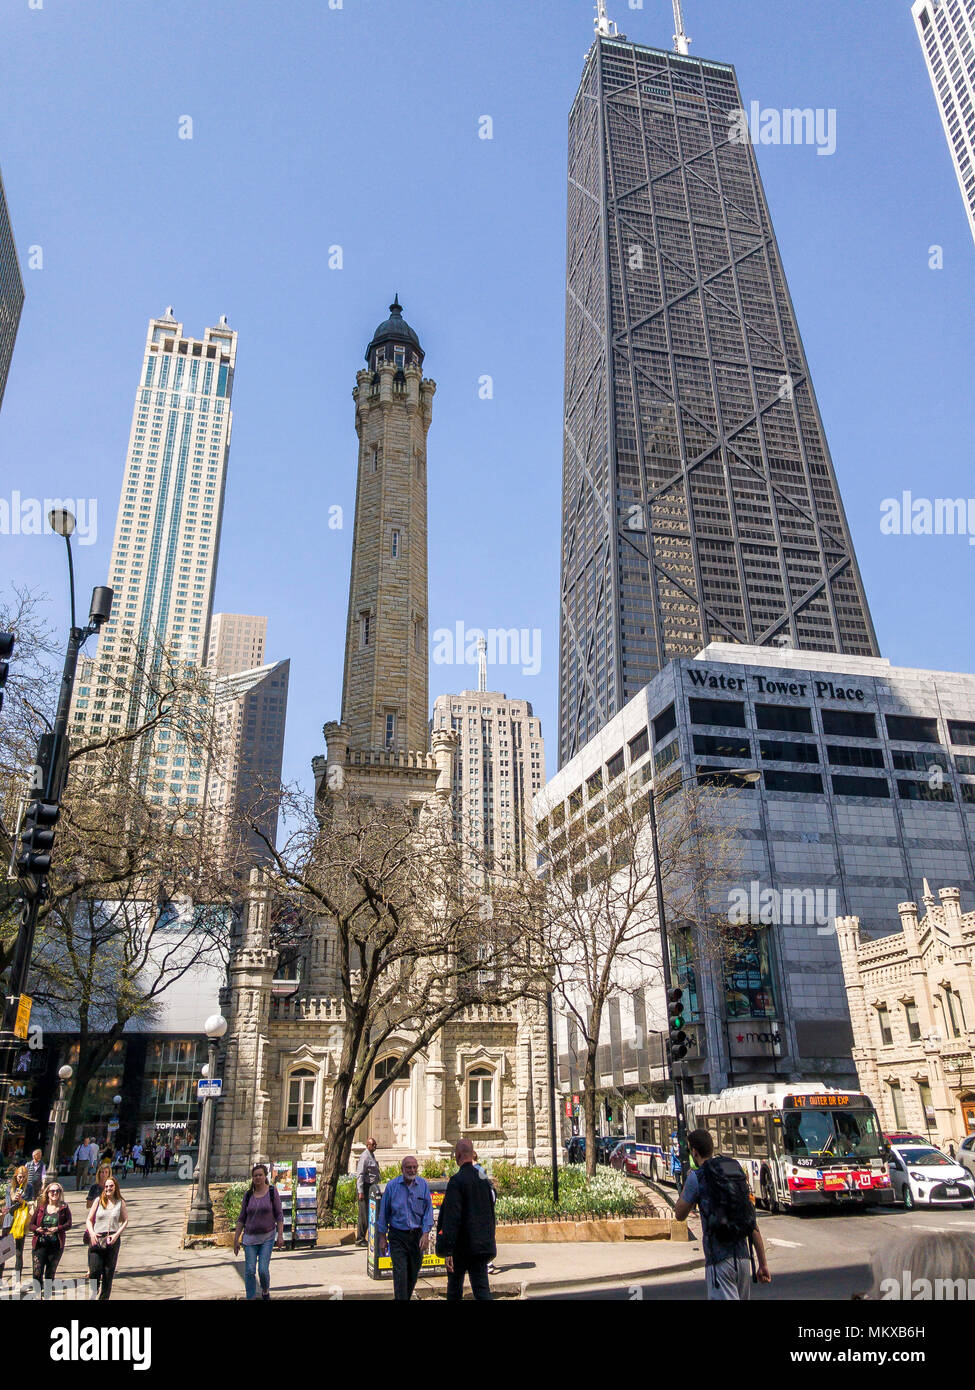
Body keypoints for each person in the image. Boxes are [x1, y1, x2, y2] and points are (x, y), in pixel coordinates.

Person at [674, 1128, 771, 1301]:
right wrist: (763, 1264)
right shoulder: (733, 1171)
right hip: (743, 1259)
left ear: (694, 1152)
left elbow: (679, 1214)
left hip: (719, 1262)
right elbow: (752, 1223)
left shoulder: (697, 1177)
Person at [436, 1139, 497, 1301]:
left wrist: (448, 1250)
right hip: (480, 1247)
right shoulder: (483, 1180)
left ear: (458, 1155)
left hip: (460, 1248)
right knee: (482, 1289)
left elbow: (452, 1218)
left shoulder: (456, 1181)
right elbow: (491, 1212)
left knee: (454, 1289)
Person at [376, 1156, 434, 1301]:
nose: (412, 1170)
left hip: (417, 1236)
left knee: (413, 1273)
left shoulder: (423, 1185)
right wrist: (382, 1238)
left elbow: (428, 1211)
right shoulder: (392, 1186)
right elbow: (383, 1214)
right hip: (397, 1236)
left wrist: (426, 1234)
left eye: (414, 1167)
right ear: (402, 1169)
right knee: (400, 1273)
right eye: (408, 1167)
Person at [233, 1163, 285, 1300]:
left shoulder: (272, 1192)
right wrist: (236, 1239)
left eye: (260, 1175)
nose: (258, 1178)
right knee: (250, 1271)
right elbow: (241, 1218)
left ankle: (265, 1290)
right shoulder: (248, 1195)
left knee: (262, 1270)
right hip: (249, 1239)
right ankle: (250, 1297)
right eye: (255, 1175)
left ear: (265, 1176)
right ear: (252, 1178)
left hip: (267, 1237)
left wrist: (280, 1236)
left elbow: (279, 1216)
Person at [84, 1174, 128, 1300]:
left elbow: (125, 1221)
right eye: (107, 1186)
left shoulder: (120, 1202)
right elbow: (89, 1219)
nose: (108, 1188)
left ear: (115, 1187)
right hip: (97, 1238)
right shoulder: (98, 1200)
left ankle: (103, 1298)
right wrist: (92, 1233)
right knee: (94, 1271)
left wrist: (116, 1235)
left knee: (108, 1274)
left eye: (111, 1186)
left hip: (112, 1239)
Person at [30, 1179, 72, 1298]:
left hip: (55, 1245)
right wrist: (37, 1229)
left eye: (57, 1191)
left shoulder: (64, 1207)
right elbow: (31, 1225)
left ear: (60, 1193)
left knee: (50, 1273)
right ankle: (38, 1295)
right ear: (47, 1193)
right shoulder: (41, 1207)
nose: (54, 1193)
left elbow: (69, 1224)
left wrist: (57, 1228)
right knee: (37, 1272)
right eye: (52, 1191)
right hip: (40, 1244)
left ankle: (47, 1295)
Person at [0, 1165, 35, 1283]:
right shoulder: (10, 1187)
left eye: (24, 1177)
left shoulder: (29, 1187)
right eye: (20, 1177)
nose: (22, 1179)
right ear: (16, 1176)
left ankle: (17, 1281)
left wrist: (22, 1201)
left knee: (19, 1252)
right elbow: (9, 1208)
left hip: (21, 1222)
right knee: (4, 1251)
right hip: (9, 1221)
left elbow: (30, 1202)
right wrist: (13, 1198)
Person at [355, 1137, 381, 1246]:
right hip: (365, 1188)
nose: (375, 1146)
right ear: (367, 1145)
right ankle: (360, 1239)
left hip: (371, 1187)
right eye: (373, 1144)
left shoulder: (372, 1155)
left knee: (370, 1213)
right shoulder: (364, 1157)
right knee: (364, 1215)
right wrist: (360, 1191)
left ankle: (366, 1237)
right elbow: (360, 1175)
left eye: (375, 1144)